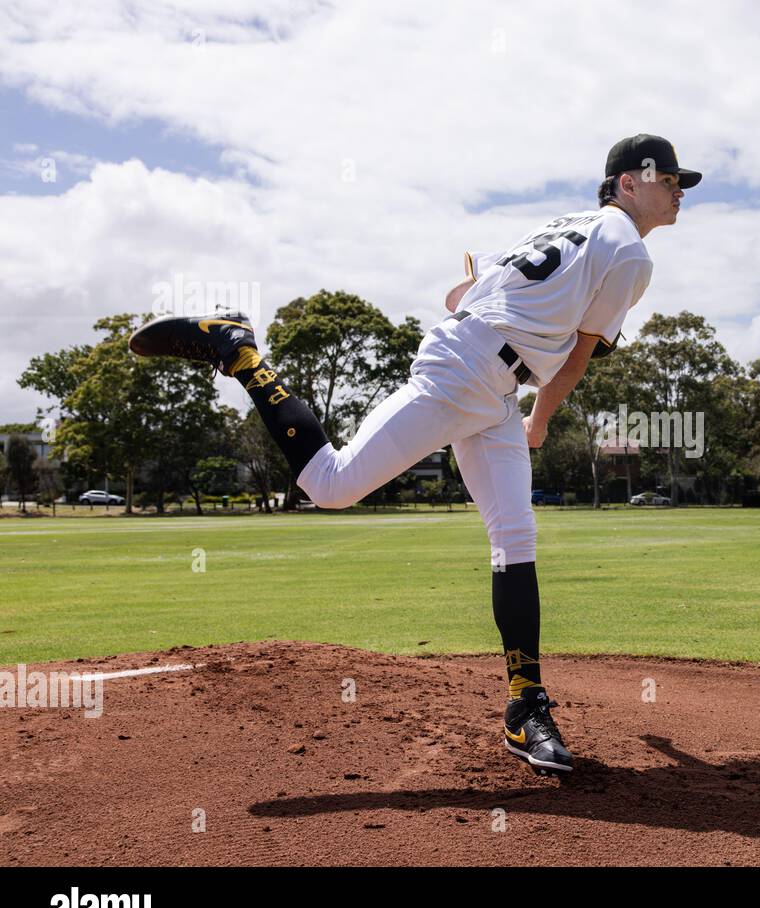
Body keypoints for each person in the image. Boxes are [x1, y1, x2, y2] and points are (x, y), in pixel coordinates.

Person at [129, 134, 701, 776]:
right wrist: (541, 420)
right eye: (670, 179)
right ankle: (241, 353)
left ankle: (525, 705)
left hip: (488, 377)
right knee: (331, 484)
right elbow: (579, 356)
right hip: (470, 376)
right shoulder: (628, 251)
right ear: (629, 182)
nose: (679, 191)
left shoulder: (568, 226)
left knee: (515, 536)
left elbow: (463, 289)